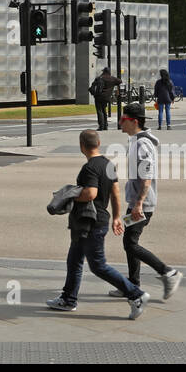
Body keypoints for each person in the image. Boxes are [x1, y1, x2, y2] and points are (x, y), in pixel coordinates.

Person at [46, 128, 150, 319]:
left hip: (90, 222)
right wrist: (117, 217)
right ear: (99, 144)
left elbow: (90, 193)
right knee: (74, 259)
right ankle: (68, 299)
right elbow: (115, 193)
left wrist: (69, 195)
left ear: (81, 146)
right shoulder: (108, 164)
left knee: (98, 265)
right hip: (96, 220)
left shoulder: (90, 168)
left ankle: (136, 295)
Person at [108, 103, 183, 302]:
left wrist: (139, 203)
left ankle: (168, 273)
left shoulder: (142, 144)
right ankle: (132, 286)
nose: (120, 122)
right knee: (129, 243)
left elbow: (147, 175)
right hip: (136, 200)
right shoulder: (135, 140)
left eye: (123, 119)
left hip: (142, 203)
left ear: (134, 121)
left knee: (131, 244)